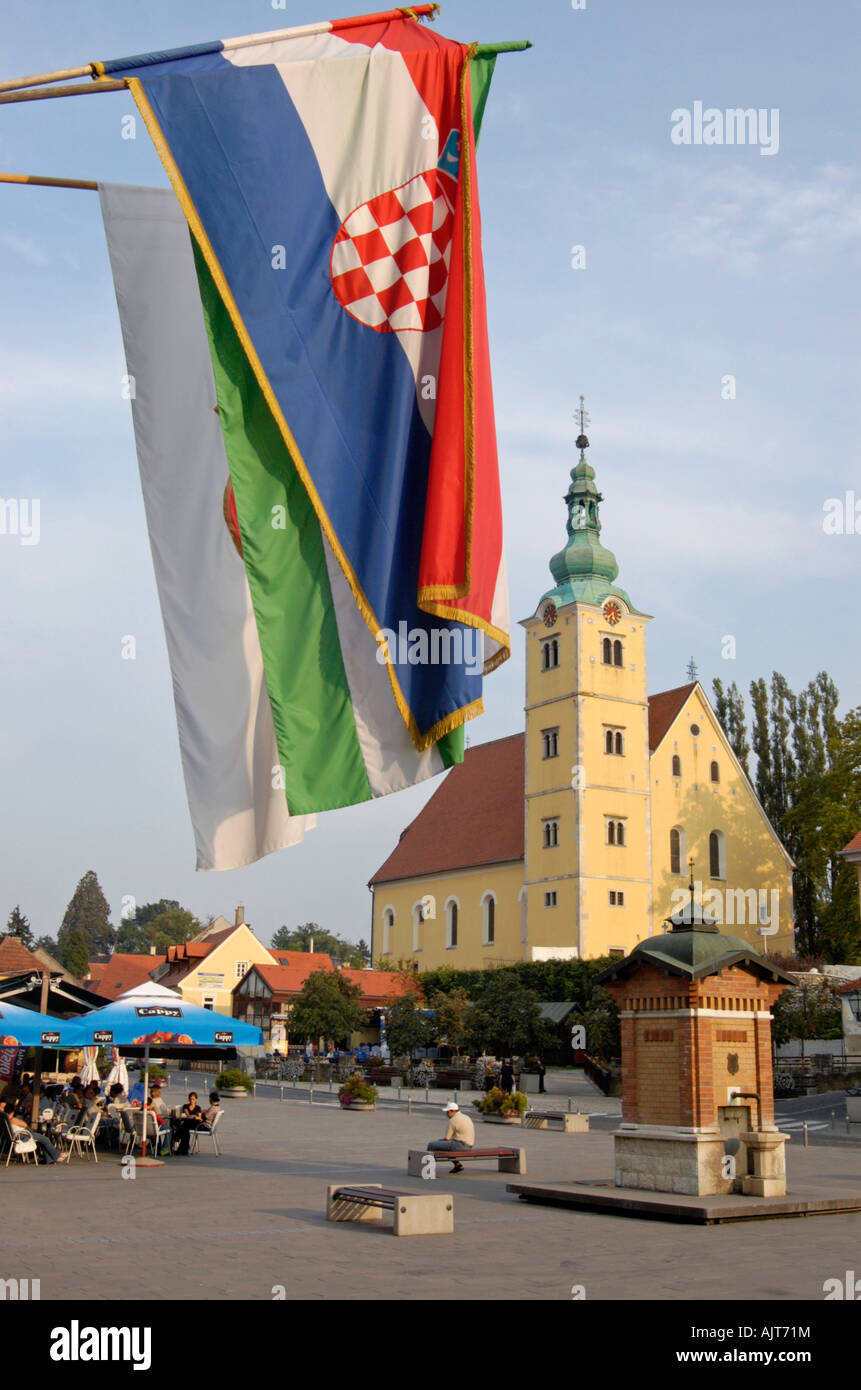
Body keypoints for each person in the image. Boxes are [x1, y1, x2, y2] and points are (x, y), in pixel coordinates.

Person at [0, 1097, 69, 1164]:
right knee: (45, 1139)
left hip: (16, 1136)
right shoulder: (13, 1120)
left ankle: (49, 1159)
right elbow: (25, 1125)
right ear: (12, 1112)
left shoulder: (4, 1119)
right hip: (23, 1135)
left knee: (42, 1140)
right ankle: (57, 1156)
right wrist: (31, 1131)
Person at [428, 1101, 475, 1174]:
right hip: (469, 1145)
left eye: (447, 1112)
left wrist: (439, 1141)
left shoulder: (453, 1120)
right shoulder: (466, 1117)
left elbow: (447, 1138)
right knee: (448, 1146)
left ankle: (428, 1168)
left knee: (431, 1145)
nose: (446, 1114)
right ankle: (457, 1165)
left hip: (460, 1145)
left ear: (452, 1111)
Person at [171, 1091, 204, 1156]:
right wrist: (194, 1116)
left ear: (196, 1100)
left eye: (193, 1099)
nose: (192, 1101)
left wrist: (196, 1117)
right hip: (187, 1123)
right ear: (188, 1099)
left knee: (184, 1129)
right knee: (186, 1133)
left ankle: (176, 1138)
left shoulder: (198, 1108)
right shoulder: (186, 1106)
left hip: (193, 1124)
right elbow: (188, 1115)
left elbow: (199, 1118)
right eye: (190, 1099)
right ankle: (183, 1151)